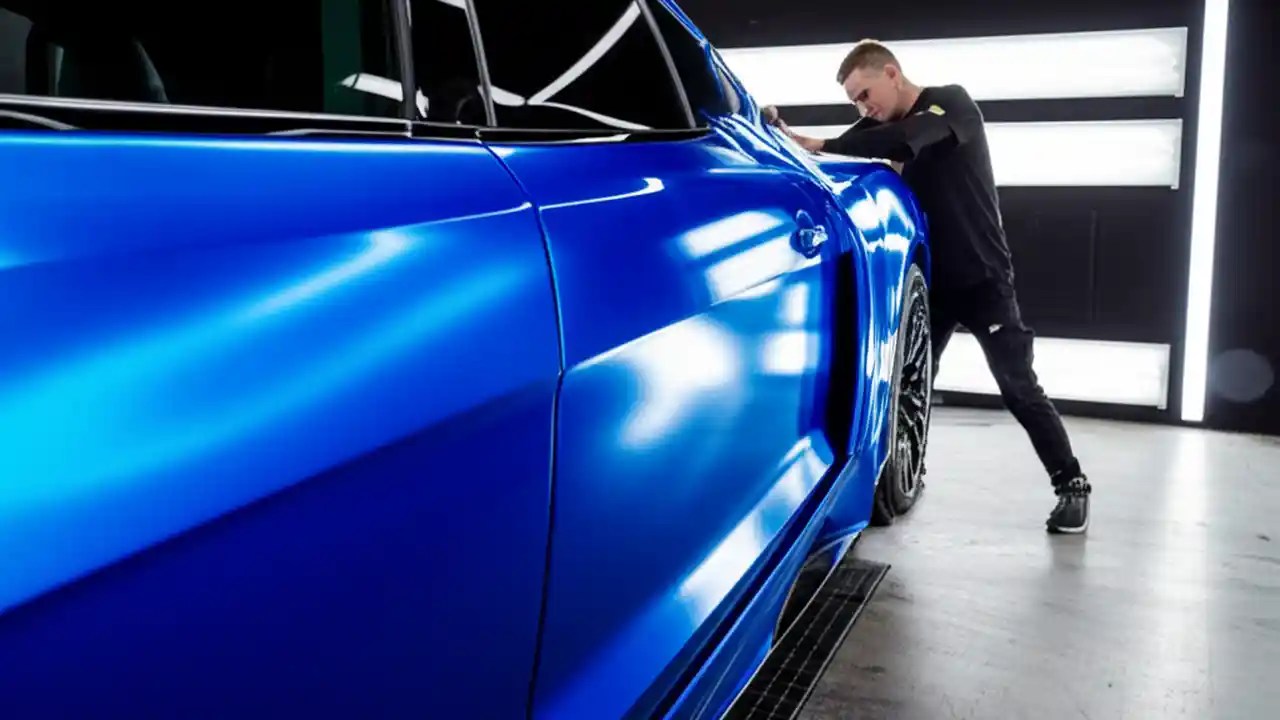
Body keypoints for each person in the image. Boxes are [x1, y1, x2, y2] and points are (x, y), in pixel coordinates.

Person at [771, 39, 1091, 534]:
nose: (863, 107)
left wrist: (820, 142)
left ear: (892, 73)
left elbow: (903, 141)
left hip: (983, 278)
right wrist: (783, 137)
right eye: (854, 101)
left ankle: (1072, 485)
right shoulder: (876, 127)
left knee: (1019, 388)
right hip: (934, 283)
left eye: (865, 93)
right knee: (909, 386)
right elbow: (841, 152)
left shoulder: (951, 104)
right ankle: (906, 470)